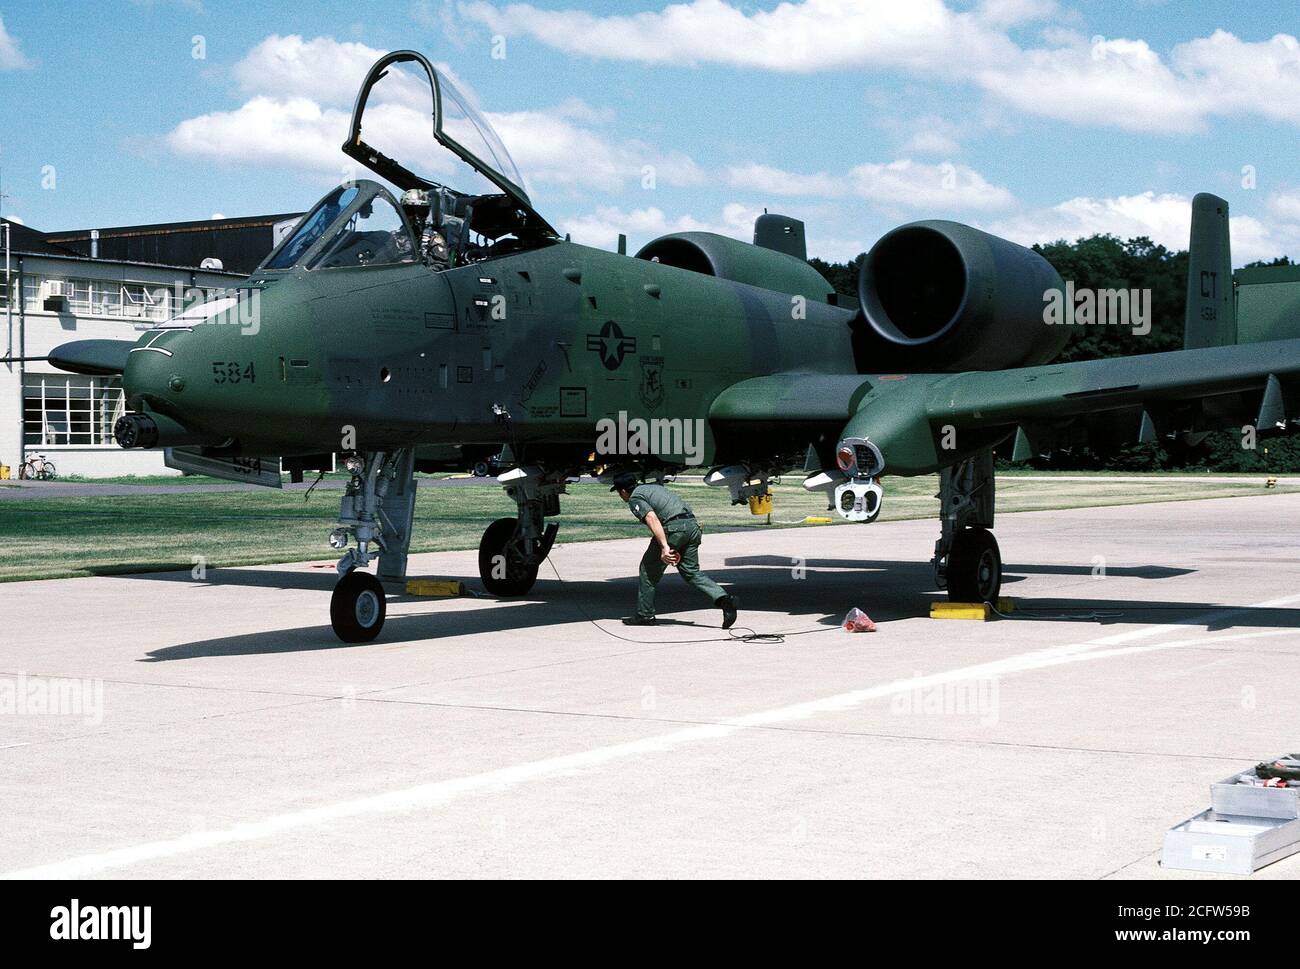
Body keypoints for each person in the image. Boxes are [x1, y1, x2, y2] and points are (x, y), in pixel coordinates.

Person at [610, 472, 738, 628]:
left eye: (618, 492)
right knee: (691, 572)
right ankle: (724, 600)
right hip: (692, 526)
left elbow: (652, 518)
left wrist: (665, 547)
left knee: (648, 570)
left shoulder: (635, 498)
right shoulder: (652, 488)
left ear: (623, 491)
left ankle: (645, 615)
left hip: (674, 529)